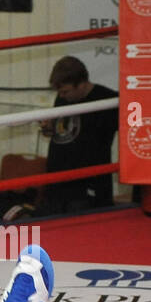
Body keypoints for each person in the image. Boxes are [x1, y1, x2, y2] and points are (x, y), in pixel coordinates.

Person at [39, 56, 117, 213]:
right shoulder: (62, 98)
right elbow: (63, 131)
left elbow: (136, 127)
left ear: (81, 84)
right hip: (57, 183)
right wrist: (50, 128)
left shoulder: (108, 100)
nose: (62, 96)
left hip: (88, 186)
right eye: (60, 92)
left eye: (65, 91)